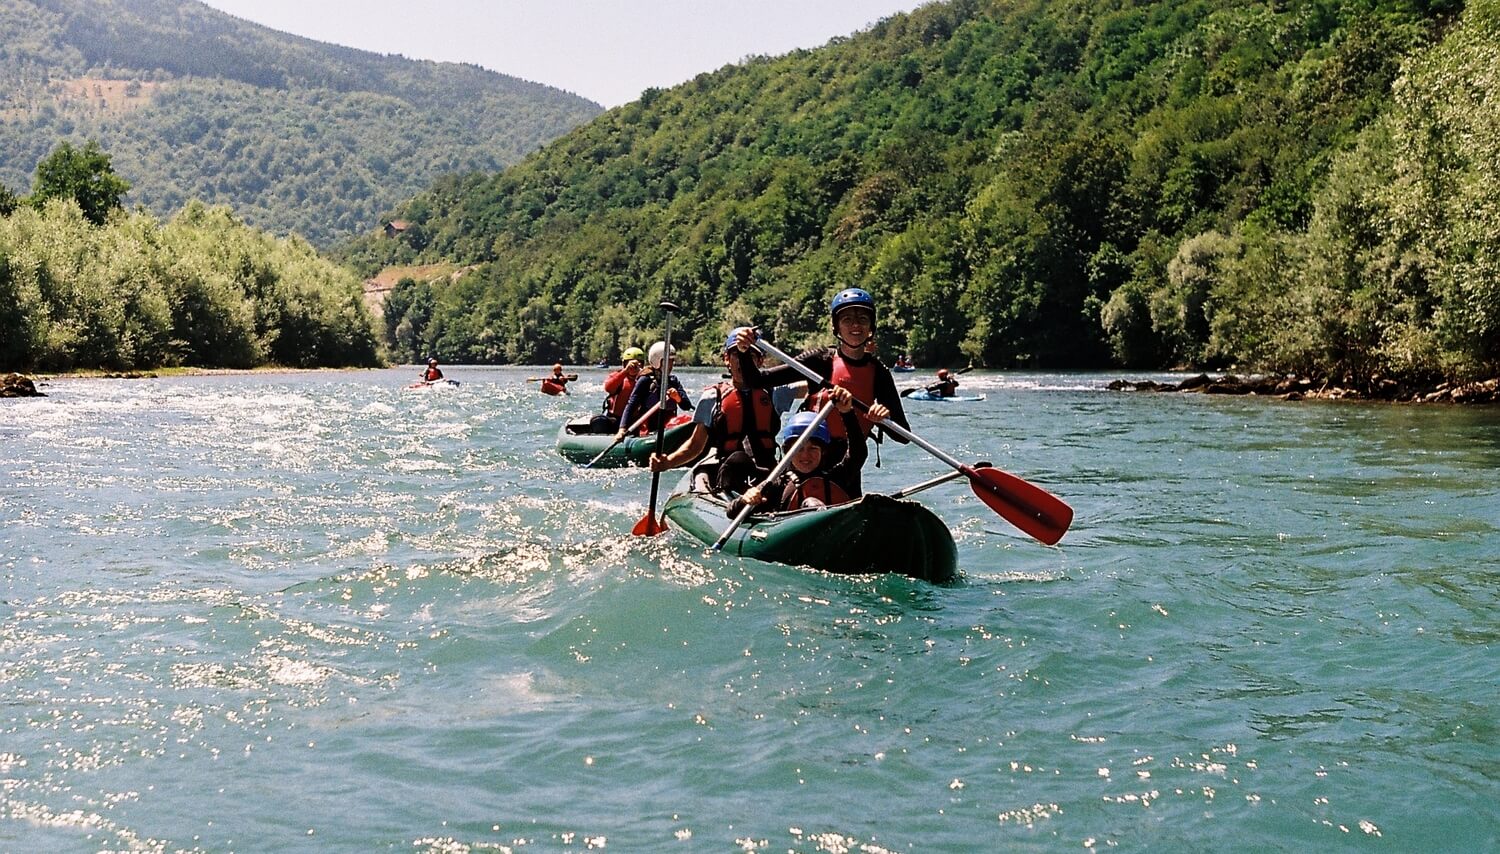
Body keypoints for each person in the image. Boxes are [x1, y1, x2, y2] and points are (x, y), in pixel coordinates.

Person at [732, 287, 909, 497]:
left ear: (871, 326)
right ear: (836, 326)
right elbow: (758, 380)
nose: (855, 325)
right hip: (808, 454)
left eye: (862, 318)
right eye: (847, 319)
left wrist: (882, 418)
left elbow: (903, 436)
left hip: (849, 460)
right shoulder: (819, 360)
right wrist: (743, 352)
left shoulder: (879, 373)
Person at [646, 329, 782, 495]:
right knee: (737, 461)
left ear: (760, 361)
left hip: (767, 472)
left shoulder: (775, 392)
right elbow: (695, 445)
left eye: (750, 356)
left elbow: (808, 384)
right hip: (728, 472)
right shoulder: (713, 396)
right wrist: (667, 462)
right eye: (737, 355)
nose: (742, 362)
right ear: (727, 359)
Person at [724, 386, 887, 517]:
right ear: (788, 452)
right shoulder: (777, 484)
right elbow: (731, 511)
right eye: (799, 449)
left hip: (834, 536)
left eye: (813, 449)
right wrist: (745, 500)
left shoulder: (837, 477)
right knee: (810, 503)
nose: (806, 455)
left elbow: (858, 453)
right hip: (794, 543)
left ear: (823, 452)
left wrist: (847, 412)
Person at [617, 341, 693, 438]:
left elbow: (687, 406)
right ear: (657, 361)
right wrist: (622, 429)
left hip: (669, 427)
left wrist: (677, 398)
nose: (671, 365)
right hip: (649, 429)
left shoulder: (673, 381)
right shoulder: (645, 379)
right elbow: (631, 404)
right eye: (668, 362)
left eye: (672, 361)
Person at [592, 346, 645, 433]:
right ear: (624, 364)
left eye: (638, 364)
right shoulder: (618, 376)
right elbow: (608, 388)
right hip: (615, 419)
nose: (633, 367)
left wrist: (642, 372)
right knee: (598, 421)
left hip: (635, 421)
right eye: (630, 364)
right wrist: (625, 371)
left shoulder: (645, 379)